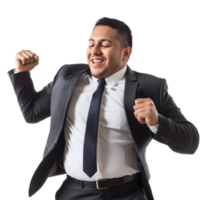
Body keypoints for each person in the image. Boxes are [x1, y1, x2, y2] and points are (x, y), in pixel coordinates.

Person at [8, 17, 199, 200]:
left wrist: (158, 122)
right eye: (91, 44)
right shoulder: (67, 76)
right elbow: (32, 113)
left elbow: (191, 141)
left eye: (105, 45)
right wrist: (22, 74)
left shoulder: (149, 86)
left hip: (126, 193)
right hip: (73, 192)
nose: (95, 51)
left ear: (125, 54)